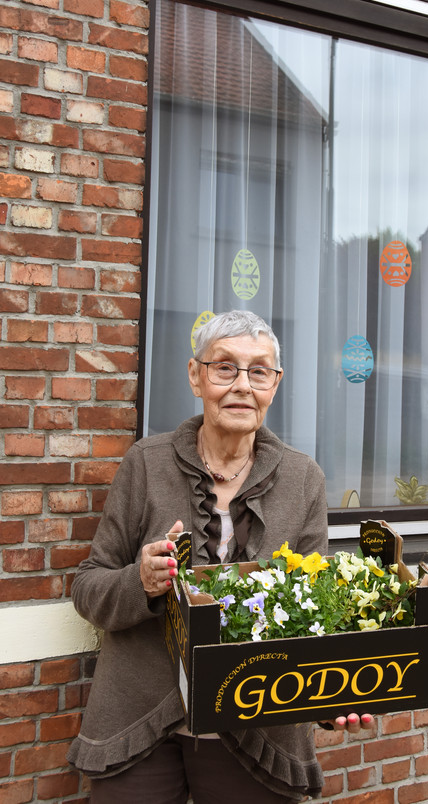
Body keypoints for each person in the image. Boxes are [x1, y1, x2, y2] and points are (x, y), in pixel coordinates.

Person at [67, 310, 372, 804]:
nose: (242, 386)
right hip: (142, 716)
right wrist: (140, 581)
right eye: (224, 367)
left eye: (259, 371)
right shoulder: (146, 463)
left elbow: (318, 612)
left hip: (258, 723)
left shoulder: (303, 480)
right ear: (196, 375)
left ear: (274, 384)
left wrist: (333, 696)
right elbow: (87, 586)